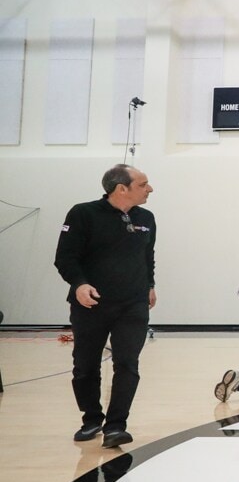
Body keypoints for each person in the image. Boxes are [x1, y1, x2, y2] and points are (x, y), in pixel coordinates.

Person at [54, 163, 156, 449]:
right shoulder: (82, 214)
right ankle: (91, 419)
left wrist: (150, 284)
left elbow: (148, 255)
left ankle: (116, 426)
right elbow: (65, 257)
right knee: (85, 367)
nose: (150, 189)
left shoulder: (146, 217)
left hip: (133, 305)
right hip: (91, 304)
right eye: (143, 184)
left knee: (127, 364)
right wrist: (79, 284)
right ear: (121, 188)